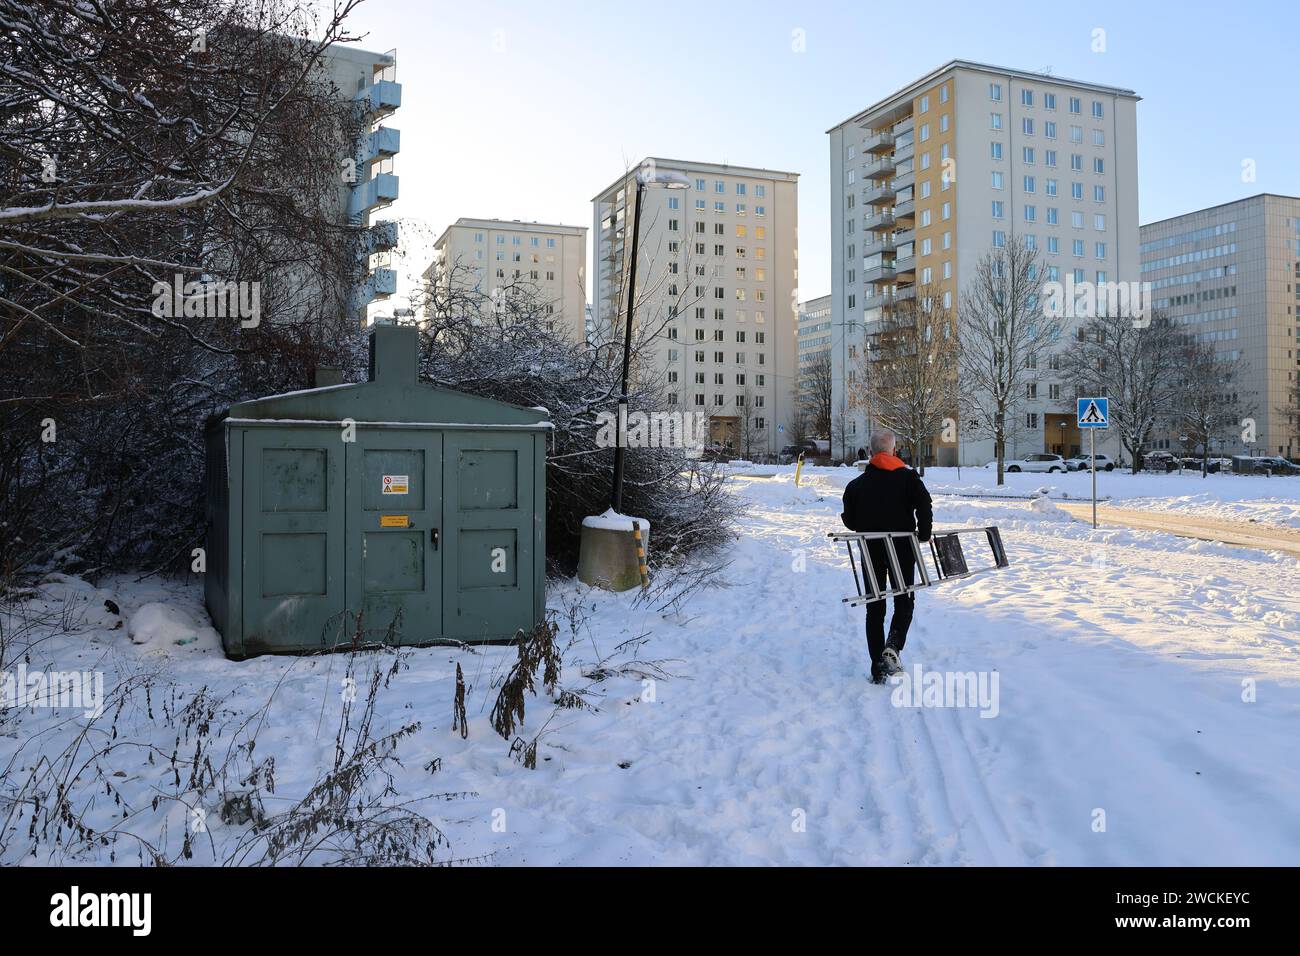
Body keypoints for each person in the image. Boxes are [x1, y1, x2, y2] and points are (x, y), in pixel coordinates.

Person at [841, 429, 933, 684]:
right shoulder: (909, 479)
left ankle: (877, 667)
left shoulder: (856, 485)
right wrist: (924, 533)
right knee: (904, 600)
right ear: (895, 451)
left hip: (871, 552)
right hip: (903, 550)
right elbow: (925, 504)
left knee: (875, 606)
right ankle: (892, 645)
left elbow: (850, 521)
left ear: (870, 453)